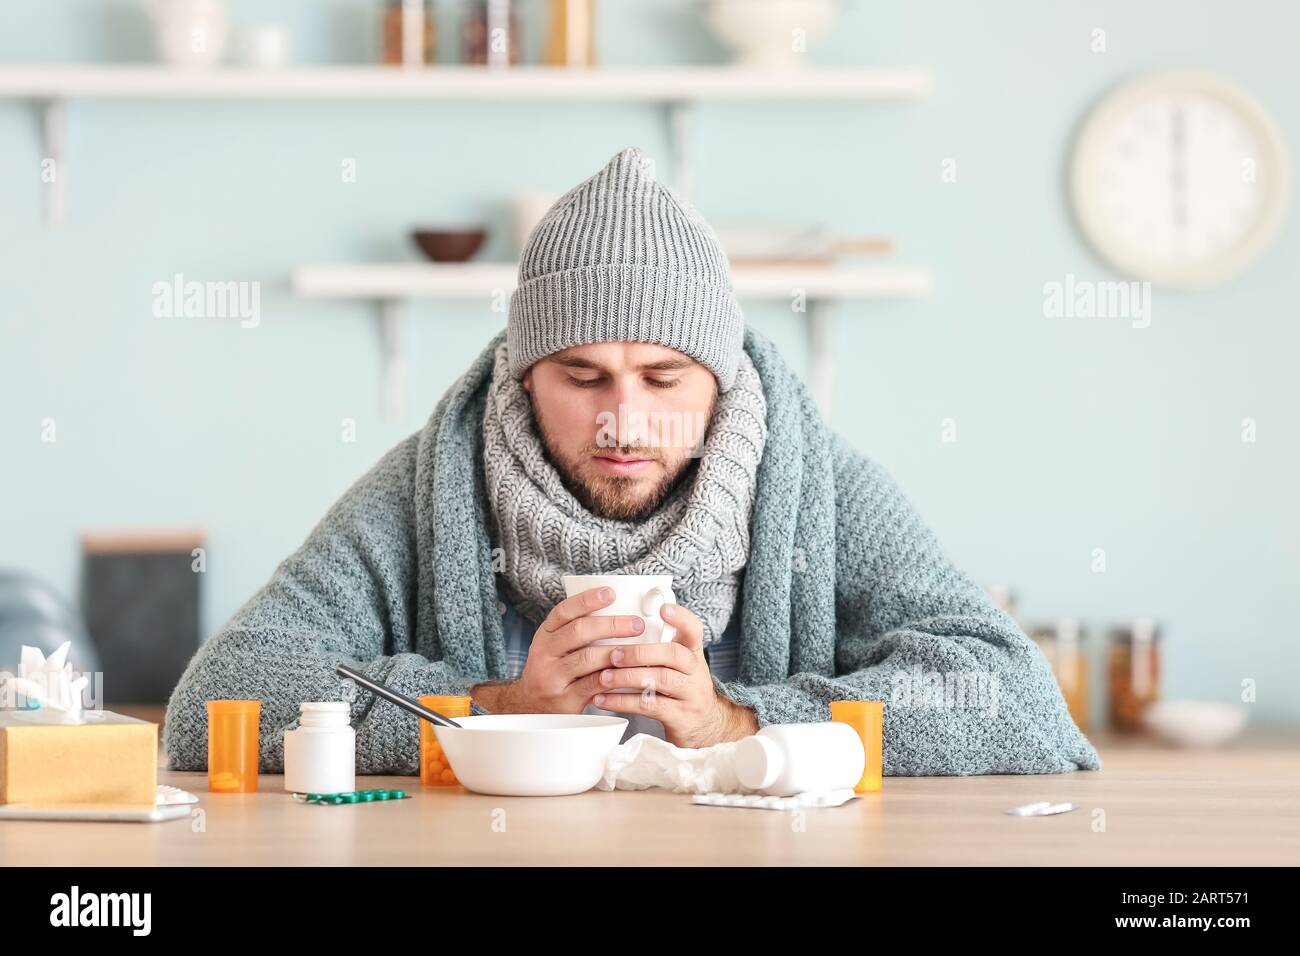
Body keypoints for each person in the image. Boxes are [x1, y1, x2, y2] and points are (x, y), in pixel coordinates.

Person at [163, 146, 1100, 777]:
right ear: (524, 378)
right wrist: (488, 709)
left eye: (663, 377)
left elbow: (1015, 699)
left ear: (721, 381)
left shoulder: (813, 480)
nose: (625, 421)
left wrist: (737, 722)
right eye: (583, 375)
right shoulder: (429, 481)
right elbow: (213, 702)